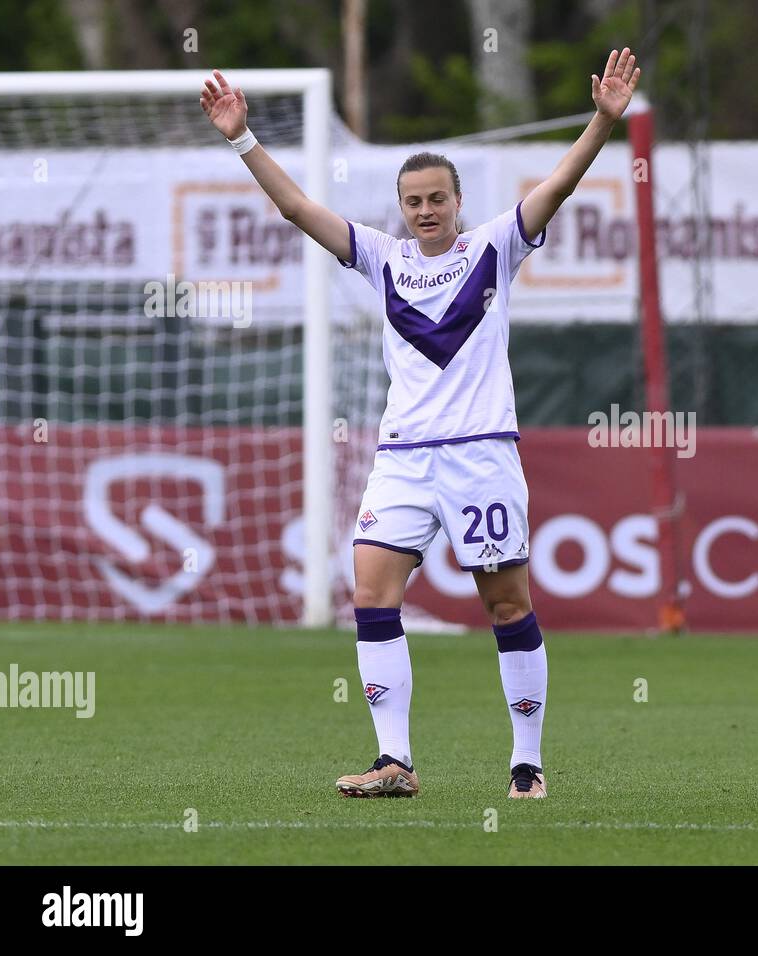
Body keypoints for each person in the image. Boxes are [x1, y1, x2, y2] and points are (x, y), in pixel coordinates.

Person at [199, 50, 641, 800]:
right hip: (403, 457)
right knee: (370, 593)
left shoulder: (495, 248)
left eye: (438, 198)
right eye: (414, 201)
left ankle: (527, 765)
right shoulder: (383, 259)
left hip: (479, 455)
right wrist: (243, 139)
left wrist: (603, 121)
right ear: (400, 206)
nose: (426, 210)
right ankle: (394, 760)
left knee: (506, 604)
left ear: (459, 200)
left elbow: (558, 185)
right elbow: (298, 210)